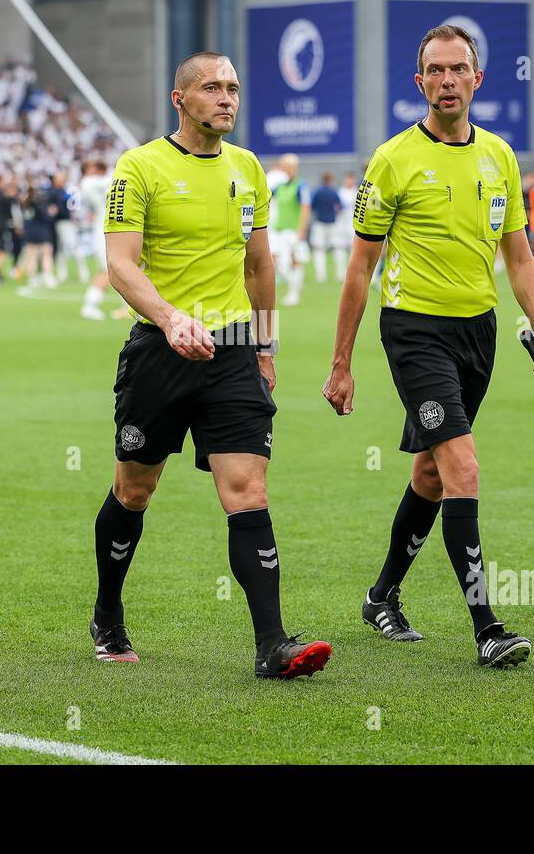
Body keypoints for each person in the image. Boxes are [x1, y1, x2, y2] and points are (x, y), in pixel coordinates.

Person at [322, 24, 534, 668]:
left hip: (478, 332)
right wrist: (341, 363)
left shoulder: (501, 158)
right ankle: (486, 626)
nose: (448, 80)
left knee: (431, 474)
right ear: (420, 81)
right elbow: (359, 270)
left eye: (459, 69)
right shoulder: (392, 160)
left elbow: (519, 258)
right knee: (463, 469)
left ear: (477, 79)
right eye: (436, 70)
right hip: (414, 331)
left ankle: (381, 596)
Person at [93, 50, 331, 679]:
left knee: (247, 489)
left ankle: (272, 645)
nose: (227, 98)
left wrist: (265, 343)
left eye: (233, 87)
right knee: (135, 490)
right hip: (157, 353)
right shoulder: (138, 167)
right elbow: (120, 264)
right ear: (181, 100)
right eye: (211, 88)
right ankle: (108, 613)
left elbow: (259, 265)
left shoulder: (250, 170)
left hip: (231, 352)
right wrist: (172, 319)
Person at [265, 154, 311, 306]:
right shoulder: (280, 186)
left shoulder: (300, 186)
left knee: (294, 261)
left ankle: (294, 293)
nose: (283, 169)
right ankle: (295, 287)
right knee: (276, 261)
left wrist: (301, 231)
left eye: (286, 166)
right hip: (278, 229)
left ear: (293, 168)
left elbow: (305, 209)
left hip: (293, 230)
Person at [78, 159, 117, 320]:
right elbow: (116, 179)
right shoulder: (88, 182)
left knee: (122, 270)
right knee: (108, 270)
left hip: (110, 229)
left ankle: (130, 309)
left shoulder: (100, 181)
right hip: (102, 231)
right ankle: (90, 305)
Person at [17, 180, 57, 288]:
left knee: (31, 256)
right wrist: (51, 214)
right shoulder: (38, 203)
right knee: (46, 254)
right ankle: (48, 277)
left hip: (29, 232)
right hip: (41, 232)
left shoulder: (24, 203)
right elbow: (46, 217)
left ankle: (32, 278)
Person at [308, 172, 344, 283]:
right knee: (338, 248)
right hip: (333, 223)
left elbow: (312, 206)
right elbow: (340, 206)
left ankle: (321, 276)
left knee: (319, 250)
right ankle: (340, 274)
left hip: (319, 223)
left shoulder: (317, 192)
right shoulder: (334, 192)